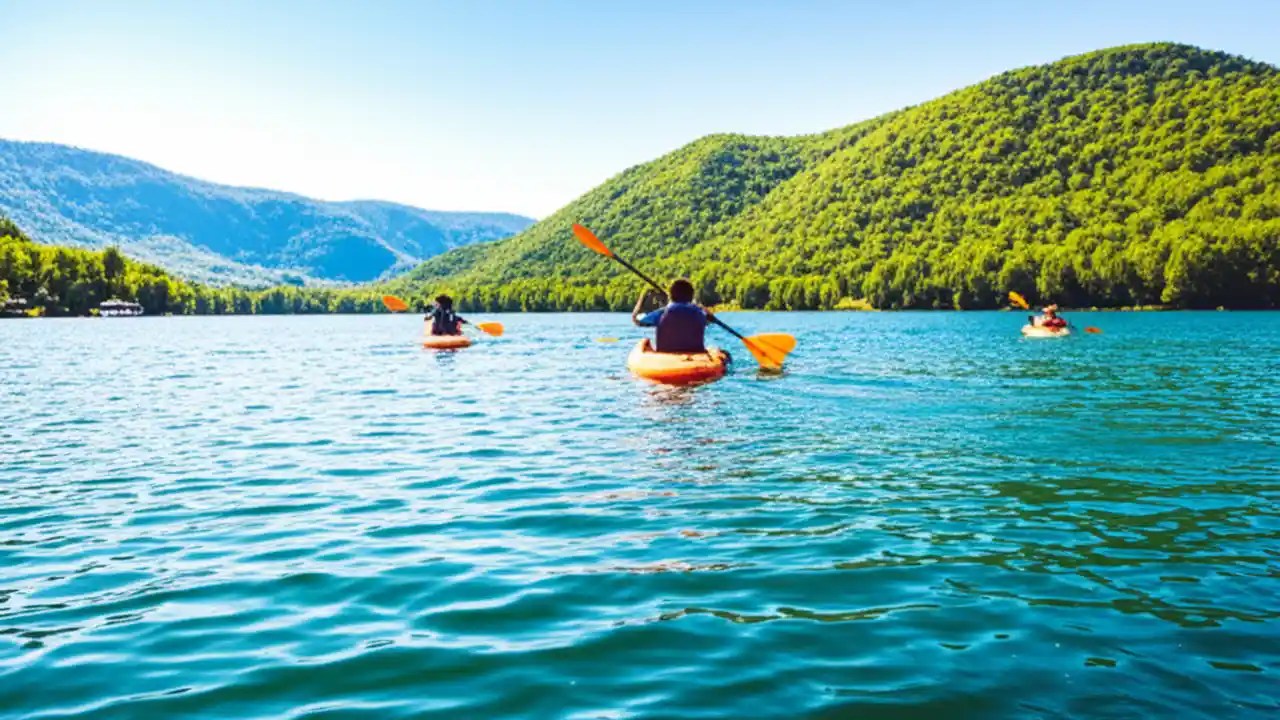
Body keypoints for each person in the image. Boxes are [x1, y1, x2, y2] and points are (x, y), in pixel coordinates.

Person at [631, 278, 712, 353]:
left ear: (671, 295)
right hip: (696, 355)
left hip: (666, 357)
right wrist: (698, 305)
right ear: (691, 296)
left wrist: (643, 296)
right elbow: (709, 318)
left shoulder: (662, 313)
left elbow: (636, 319)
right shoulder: (699, 313)